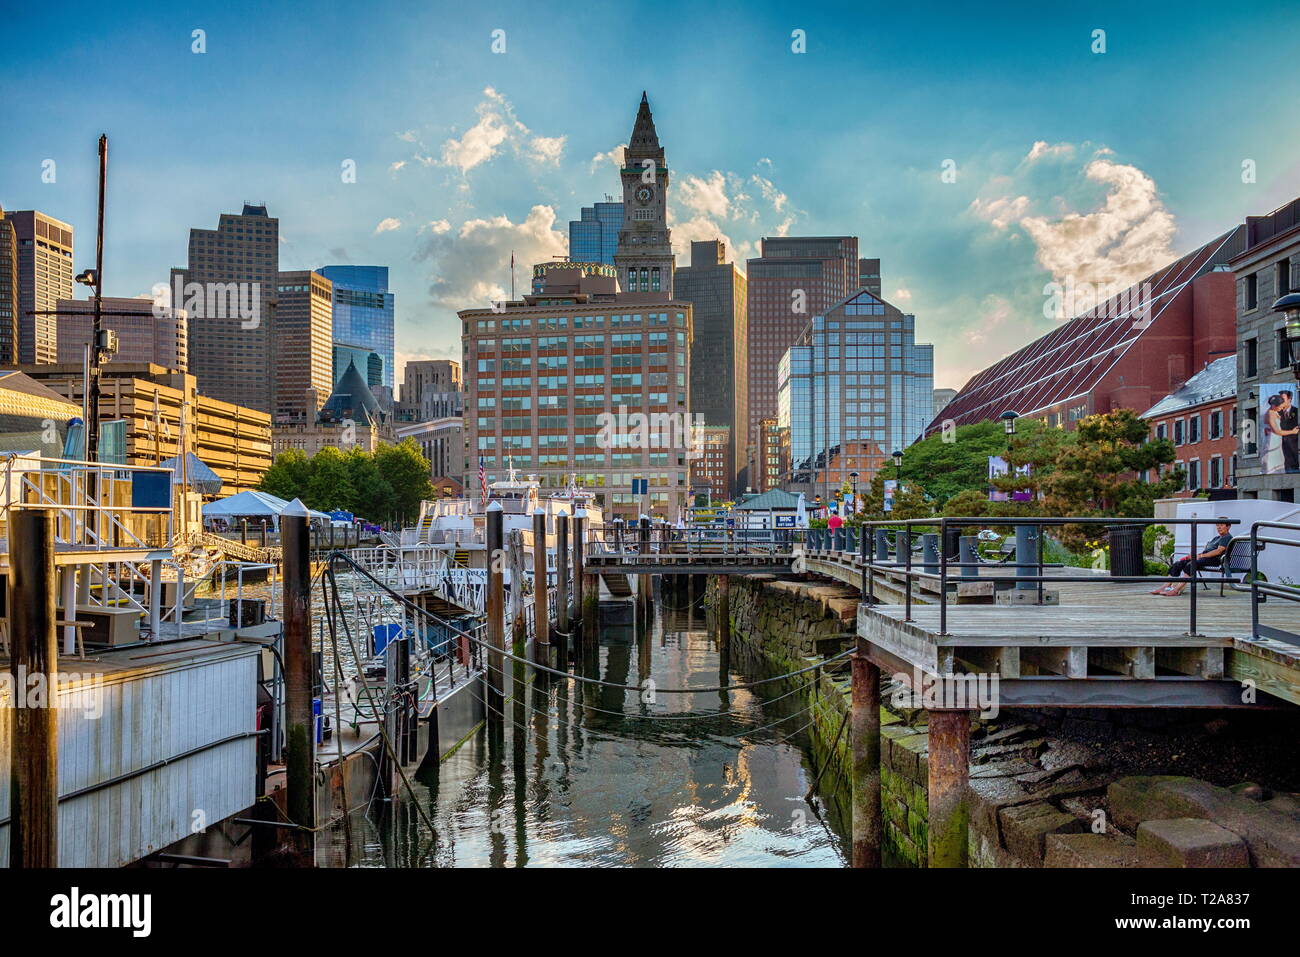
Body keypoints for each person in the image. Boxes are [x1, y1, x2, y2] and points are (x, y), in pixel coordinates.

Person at [1153, 520, 1233, 596]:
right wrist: (1194, 556)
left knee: (1191, 564)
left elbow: (1218, 551)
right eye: (1217, 525)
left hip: (1214, 560)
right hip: (1205, 558)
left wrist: (1200, 556)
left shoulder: (1226, 537)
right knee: (1179, 563)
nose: (1218, 527)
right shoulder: (1216, 538)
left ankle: (1176, 590)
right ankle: (1165, 586)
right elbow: (1206, 552)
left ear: (1228, 527)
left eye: (1221, 525)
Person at [1280, 390, 1299, 472]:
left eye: (1283, 399)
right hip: (1283, 456)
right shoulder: (1277, 413)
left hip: (1295, 452)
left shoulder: (1297, 411)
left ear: (1289, 399)